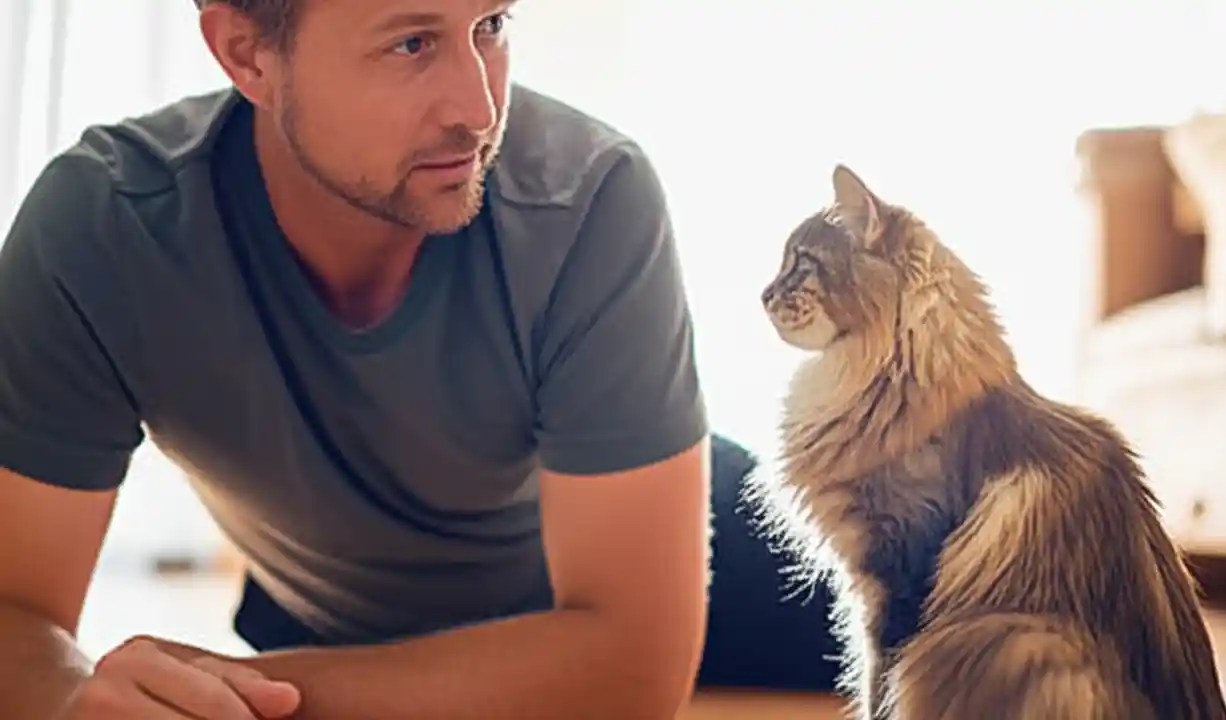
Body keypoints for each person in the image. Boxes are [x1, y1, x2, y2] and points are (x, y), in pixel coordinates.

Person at [0, 0, 717, 717]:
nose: (479, 108)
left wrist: (232, 697)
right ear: (248, 55)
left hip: (724, 566)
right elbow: (14, 609)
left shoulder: (587, 199)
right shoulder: (105, 230)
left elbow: (633, 667)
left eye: (492, 26)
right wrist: (73, 701)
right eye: (411, 44)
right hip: (328, 624)